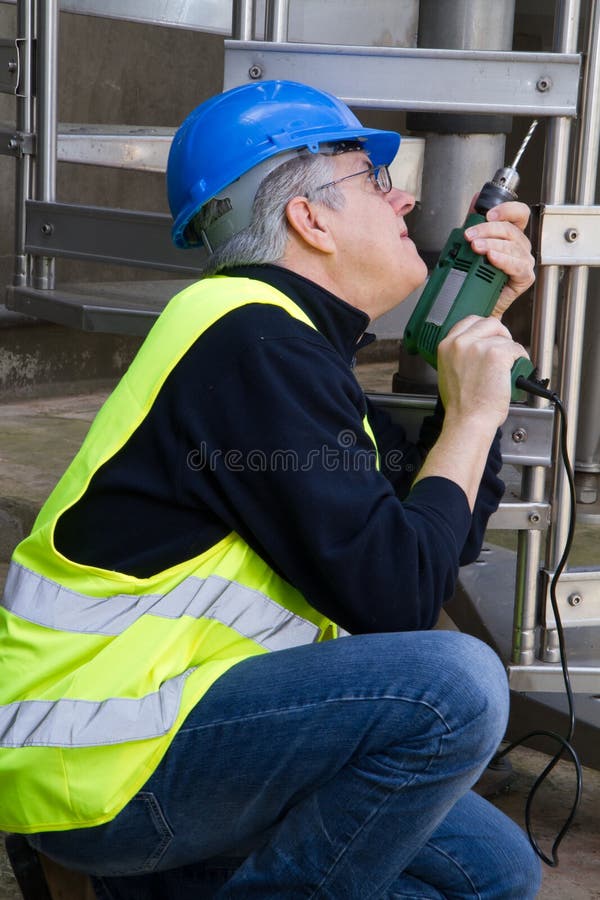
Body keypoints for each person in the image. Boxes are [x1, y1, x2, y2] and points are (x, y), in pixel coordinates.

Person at [0, 80, 541, 898]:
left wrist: (472, 343)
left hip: (178, 727)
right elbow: (401, 601)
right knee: (452, 689)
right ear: (309, 218)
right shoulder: (247, 341)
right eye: (373, 178)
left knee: (489, 872)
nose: (408, 199)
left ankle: (151, 887)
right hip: (94, 762)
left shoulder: (286, 349)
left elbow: (434, 538)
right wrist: (469, 421)